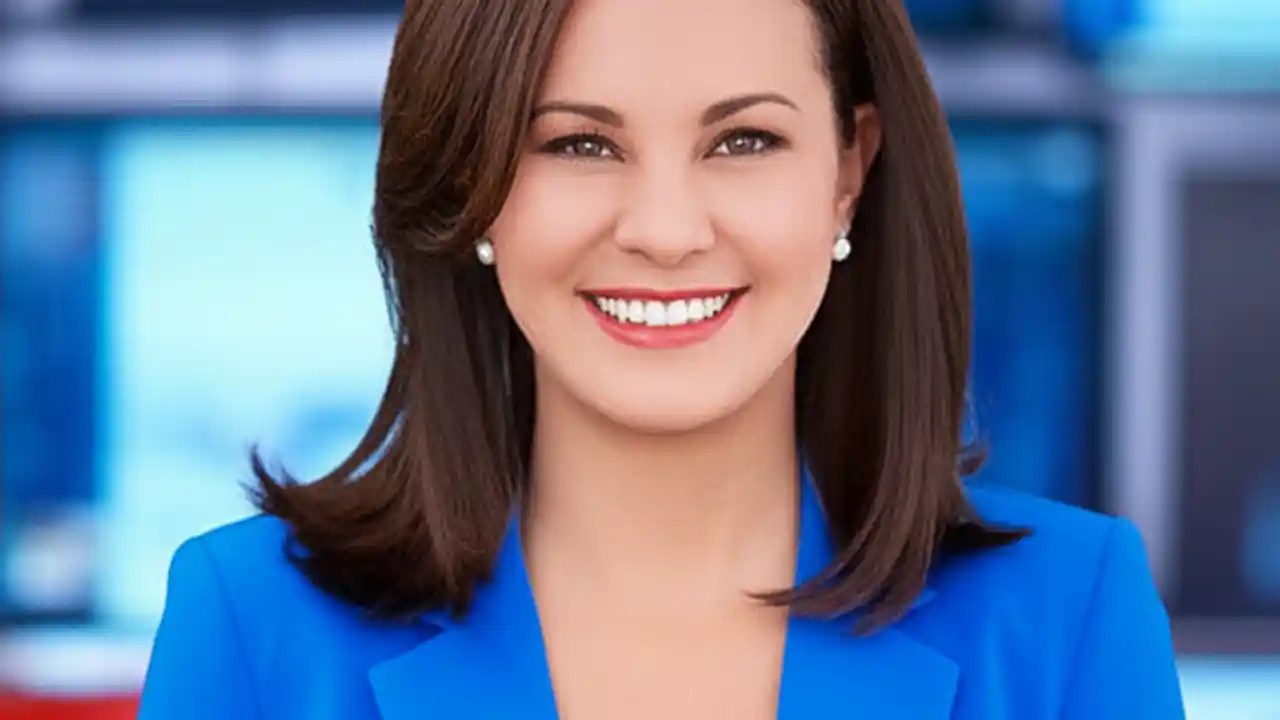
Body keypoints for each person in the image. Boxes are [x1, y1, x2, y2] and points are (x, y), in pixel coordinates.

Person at [137, 0, 1186, 717]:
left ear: (847, 173)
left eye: (742, 142)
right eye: (577, 144)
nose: (666, 229)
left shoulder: (1068, 616)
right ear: (474, 183)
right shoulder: (252, 624)